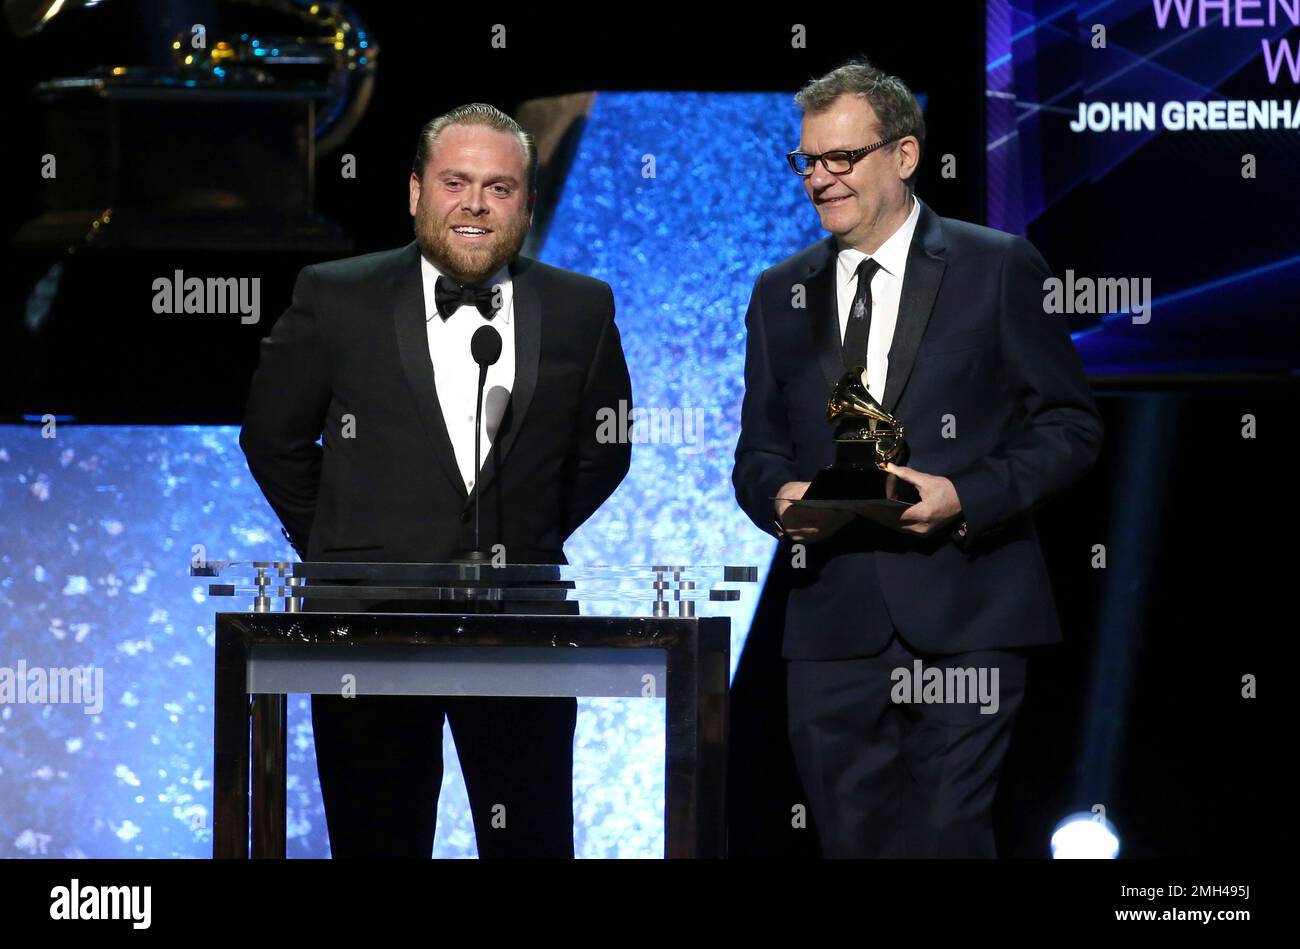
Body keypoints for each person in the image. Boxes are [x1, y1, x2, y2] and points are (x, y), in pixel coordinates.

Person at [239, 103, 633, 858]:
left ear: (526, 200)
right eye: (456, 182)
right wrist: (346, 543)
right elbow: (273, 437)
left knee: (534, 844)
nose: (476, 204)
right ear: (416, 191)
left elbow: (603, 449)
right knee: (378, 843)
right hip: (368, 624)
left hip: (523, 626)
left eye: (499, 186)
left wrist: (524, 532)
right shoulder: (336, 294)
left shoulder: (582, 306)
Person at [732, 60, 1104, 857]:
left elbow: (1070, 425)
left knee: (949, 836)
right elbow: (756, 451)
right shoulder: (778, 292)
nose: (821, 180)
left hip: (971, 608)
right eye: (808, 161)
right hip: (832, 621)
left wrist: (964, 495)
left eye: (842, 158)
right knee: (851, 840)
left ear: (904, 156)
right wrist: (780, 496)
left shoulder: (998, 265)